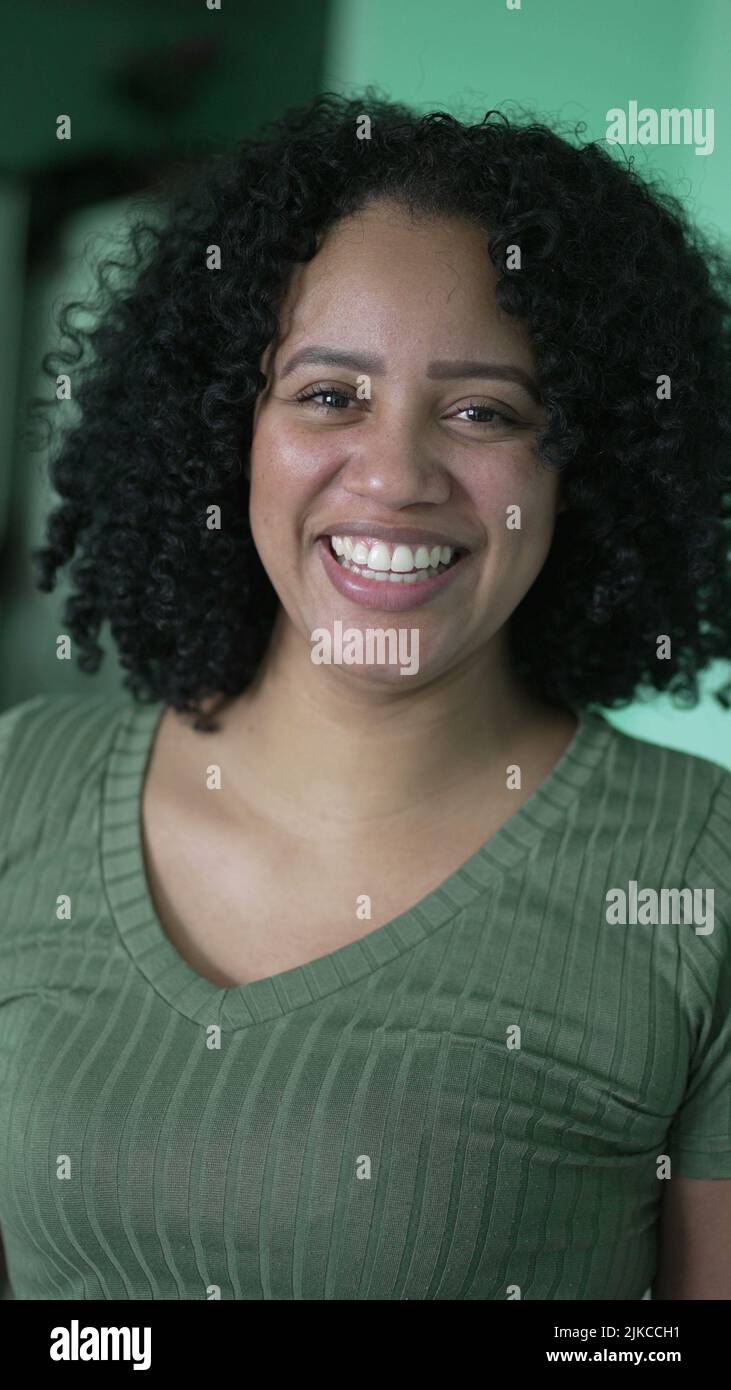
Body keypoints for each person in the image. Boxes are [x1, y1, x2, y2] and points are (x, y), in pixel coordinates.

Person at [0, 92, 730, 1302]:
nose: (392, 476)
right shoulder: (20, 789)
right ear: (224, 432)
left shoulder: (696, 877)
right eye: (329, 394)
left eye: (481, 410)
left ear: (581, 464)